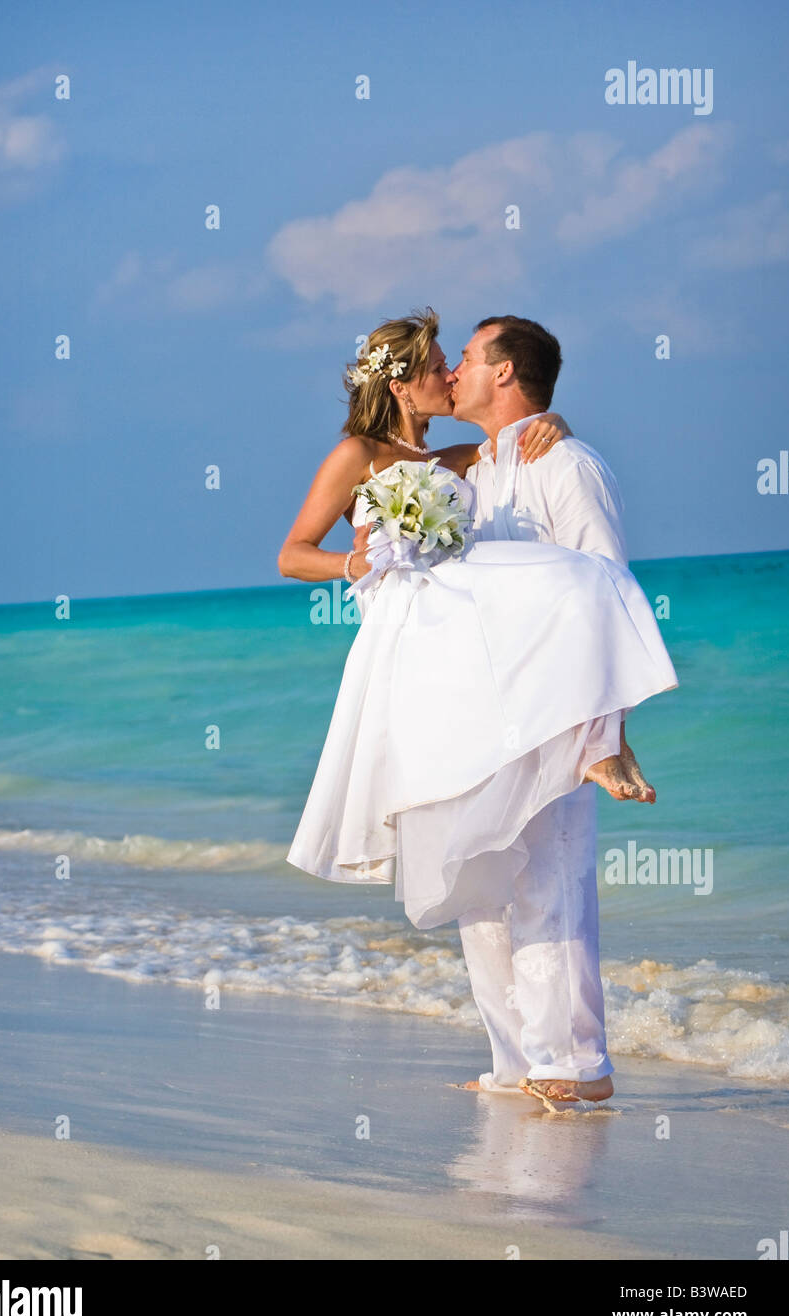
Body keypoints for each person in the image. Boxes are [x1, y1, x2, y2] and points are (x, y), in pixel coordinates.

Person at [280, 308, 677, 1108]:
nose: (451, 371)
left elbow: (595, 583)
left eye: (461, 357)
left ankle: (573, 1066)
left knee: (549, 874)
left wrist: (606, 723)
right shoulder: (454, 463)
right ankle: (517, 1061)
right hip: (441, 687)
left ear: (499, 373)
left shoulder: (503, 457)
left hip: (539, 701)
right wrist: (361, 556)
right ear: (403, 381)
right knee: (474, 872)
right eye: (439, 362)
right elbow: (295, 553)